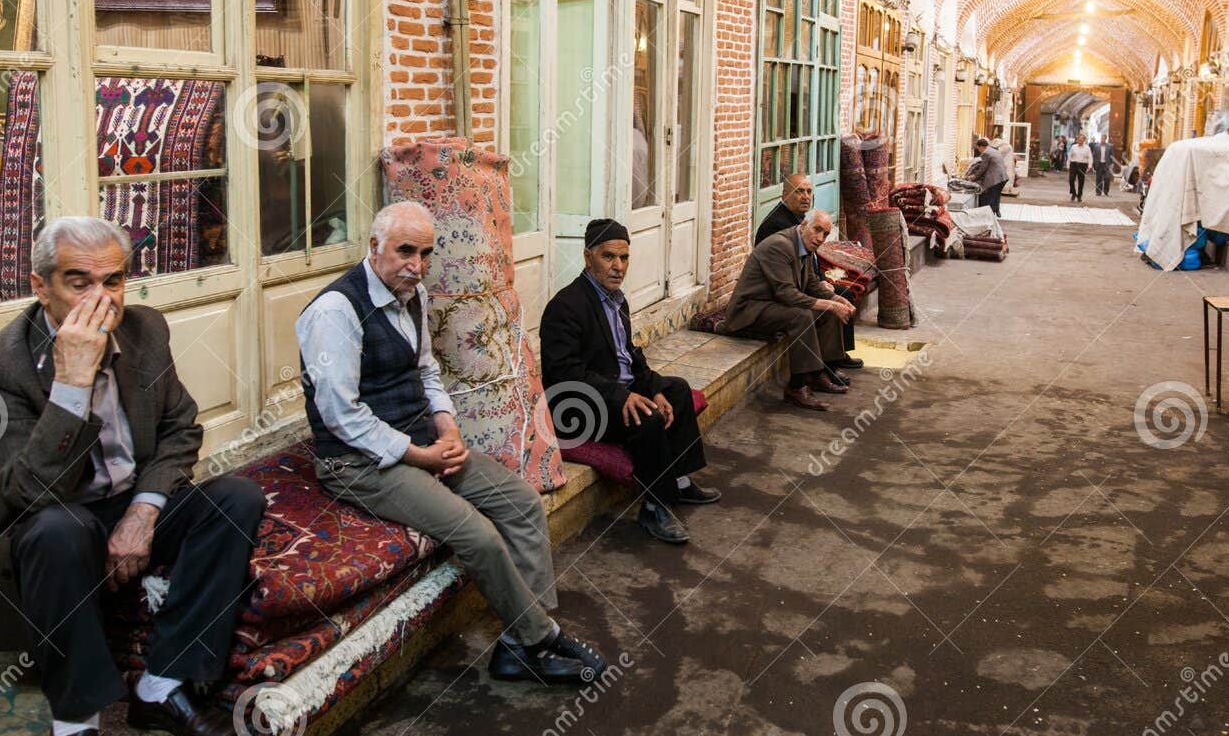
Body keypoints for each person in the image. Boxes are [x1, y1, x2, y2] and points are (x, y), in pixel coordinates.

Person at [0, 217, 265, 736]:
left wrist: (144, 512)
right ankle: (75, 723)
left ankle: (162, 685)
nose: (101, 299)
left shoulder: (145, 331)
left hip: (123, 499)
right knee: (58, 530)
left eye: (113, 281)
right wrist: (71, 383)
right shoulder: (0, 368)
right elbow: (30, 492)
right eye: (78, 282)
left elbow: (180, 430)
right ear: (40, 286)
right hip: (50, 517)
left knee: (235, 498)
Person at [297, 202, 607, 684]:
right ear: (374, 247)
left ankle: (519, 640)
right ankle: (540, 641)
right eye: (404, 251)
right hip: (357, 463)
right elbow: (341, 415)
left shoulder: (412, 294)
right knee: (477, 534)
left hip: (423, 443)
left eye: (424, 253)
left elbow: (426, 371)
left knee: (521, 502)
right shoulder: (335, 312)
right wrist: (418, 454)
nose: (416, 266)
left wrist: (448, 429)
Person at [540, 218, 718, 546]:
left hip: (615, 391)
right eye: (609, 257)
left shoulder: (618, 300)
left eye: (624, 258)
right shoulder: (565, 306)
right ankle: (653, 506)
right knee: (646, 416)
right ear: (587, 256)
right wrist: (622, 397)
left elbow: (630, 355)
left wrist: (651, 388)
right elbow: (564, 373)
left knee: (675, 390)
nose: (618, 266)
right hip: (581, 405)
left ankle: (678, 481)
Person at [722, 209, 855, 412]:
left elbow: (811, 283)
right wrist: (832, 304)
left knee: (829, 309)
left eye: (826, 234)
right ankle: (797, 387)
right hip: (750, 309)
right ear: (803, 226)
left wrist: (838, 300)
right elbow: (788, 295)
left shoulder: (806, 244)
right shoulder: (780, 245)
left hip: (774, 305)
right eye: (817, 230)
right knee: (801, 316)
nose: (820, 238)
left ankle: (819, 372)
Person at [753, 173, 862, 377]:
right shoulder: (778, 225)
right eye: (799, 191)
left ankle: (835, 358)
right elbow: (785, 279)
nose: (805, 196)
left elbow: (809, 259)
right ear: (785, 195)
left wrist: (822, 282)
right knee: (818, 309)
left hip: (796, 281)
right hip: (776, 288)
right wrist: (823, 292)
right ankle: (817, 371)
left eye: (809, 191)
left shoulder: (800, 219)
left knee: (842, 294)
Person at [965, 135, 1008, 215]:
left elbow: (983, 168)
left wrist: (974, 177)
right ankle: (996, 210)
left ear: (981, 147)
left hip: (995, 178)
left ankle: (989, 215)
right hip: (1003, 177)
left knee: (989, 196)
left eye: (978, 148)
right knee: (996, 194)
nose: (979, 150)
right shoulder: (994, 151)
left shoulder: (986, 153)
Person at [1066, 133, 1093, 202]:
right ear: (1077, 140)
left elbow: (1090, 157)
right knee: (1071, 179)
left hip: (1082, 165)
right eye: (1079, 139)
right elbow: (1069, 156)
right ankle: (1074, 193)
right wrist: (1068, 164)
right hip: (1074, 164)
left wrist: (1090, 166)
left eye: (1081, 139)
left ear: (1084, 140)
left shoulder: (1087, 148)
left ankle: (1079, 195)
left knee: (1081, 181)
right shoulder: (1073, 147)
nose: (1080, 140)